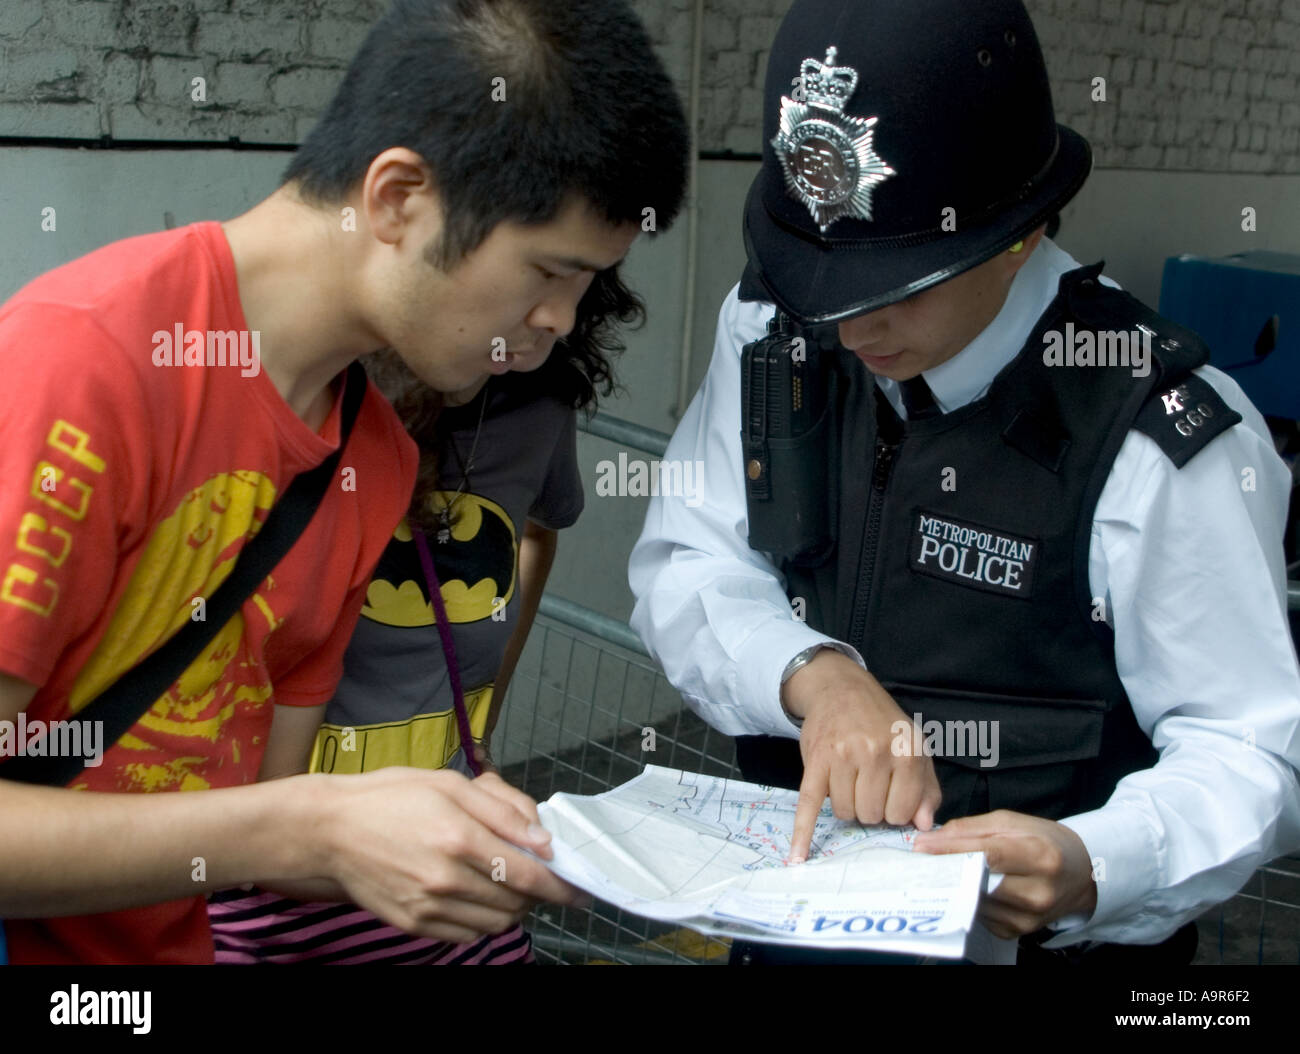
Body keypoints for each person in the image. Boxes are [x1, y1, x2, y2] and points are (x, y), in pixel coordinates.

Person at [0, 0, 687, 963]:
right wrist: (313, 826)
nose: (562, 321)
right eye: (549, 272)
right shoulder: (87, 362)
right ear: (399, 198)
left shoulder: (374, 457)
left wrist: (482, 842)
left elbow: (256, 815)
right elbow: (279, 826)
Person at [629, 0, 1300, 965]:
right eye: (823, 281)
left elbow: (1247, 749)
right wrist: (811, 674)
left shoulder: (1159, 434)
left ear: (1018, 234)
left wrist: (1094, 862)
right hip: (787, 931)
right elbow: (686, 559)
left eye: (899, 288)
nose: (851, 329)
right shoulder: (778, 330)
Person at [207, 267, 640, 964]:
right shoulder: (292, 405)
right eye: (537, 272)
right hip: (264, 874)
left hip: (437, 851)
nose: (551, 320)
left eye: (576, 284)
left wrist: (482, 722)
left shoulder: (534, 406)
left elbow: (536, 531)